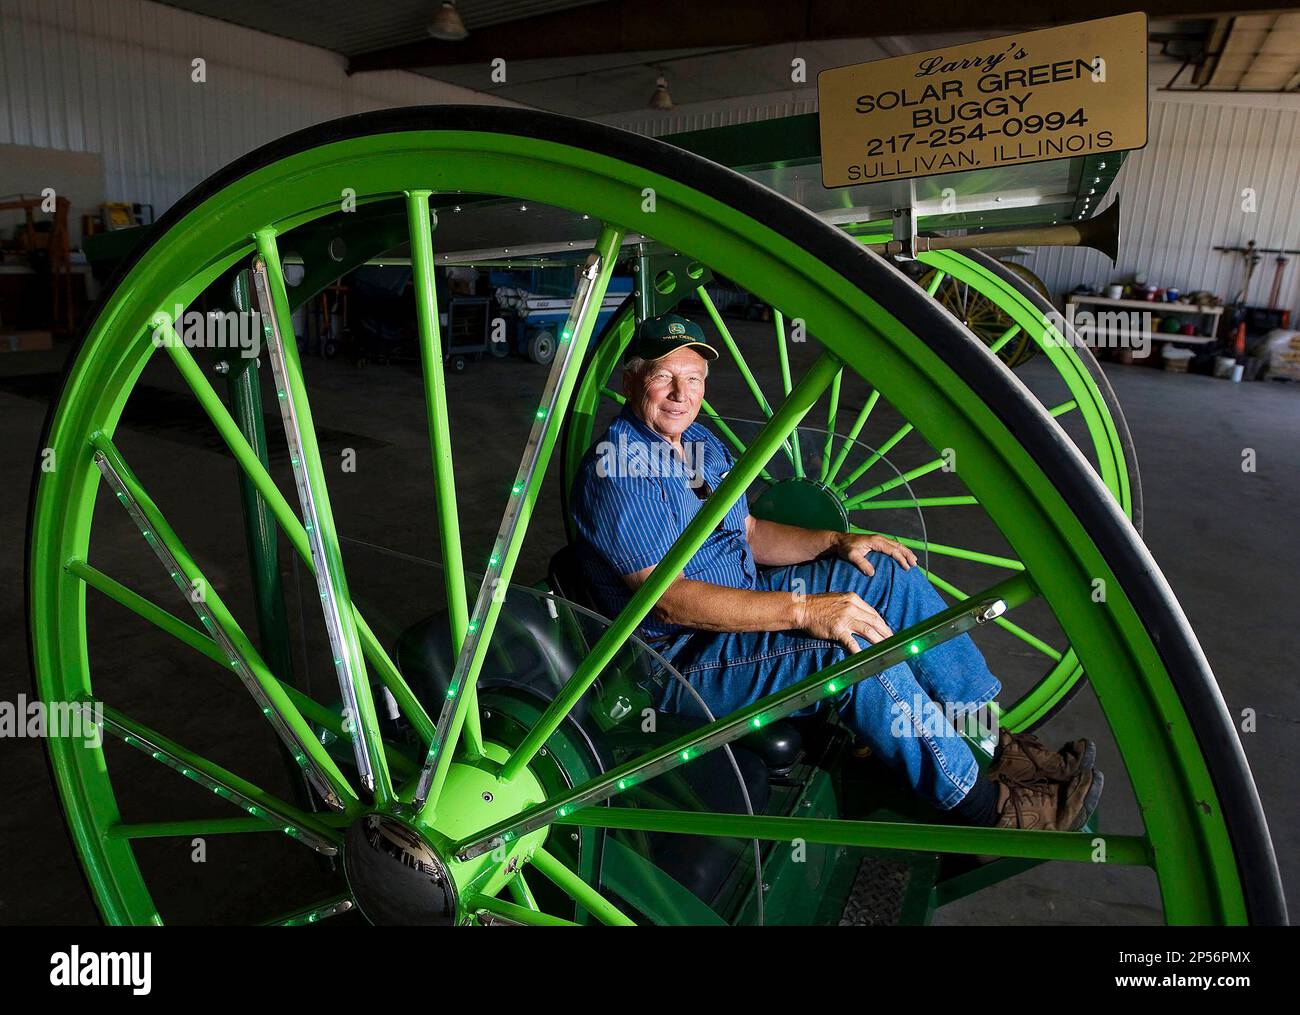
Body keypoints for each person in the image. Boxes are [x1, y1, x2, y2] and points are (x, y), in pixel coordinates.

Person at [569, 312, 1103, 830]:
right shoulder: (618, 468)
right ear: (631, 379)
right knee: (843, 646)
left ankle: (992, 740)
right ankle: (987, 810)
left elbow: (750, 532)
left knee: (883, 574)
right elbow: (669, 600)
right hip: (680, 659)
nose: (682, 394)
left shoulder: (699, 444)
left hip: (742, 607)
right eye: (664, 377)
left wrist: (836, 540)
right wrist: (804, 610)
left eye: (693, 379)